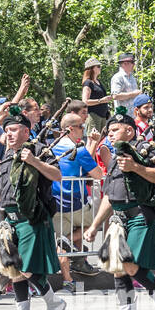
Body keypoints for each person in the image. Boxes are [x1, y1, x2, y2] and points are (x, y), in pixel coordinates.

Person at [81, 108, 155, 310]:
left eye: (115, 130)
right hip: (120, 220)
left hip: (141, 215)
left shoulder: (143, 149)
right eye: (109, 131)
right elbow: (109, 194)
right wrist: (94, 225)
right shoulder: (115, 158)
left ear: (130, 131)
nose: (110, 134)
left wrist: (136, 167)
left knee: (130, 265)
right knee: (119, 269)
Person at [0, 110, 68, 310]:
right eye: (6, 131)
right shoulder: (7, 155)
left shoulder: (40, 150)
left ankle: (55, 302)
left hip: (32, 217)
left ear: (26, 131)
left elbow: (56, 175)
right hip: (10, 219)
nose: (9, 135)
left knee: (26, 268)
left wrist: (34, 161)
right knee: (14, 269)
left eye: (13, 130)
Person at [49, 113, 105, 292]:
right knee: (93, 228)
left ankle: (67, 280)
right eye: (81, 126)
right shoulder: (79, 150)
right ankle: (70, 241)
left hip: (55, 202)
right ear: (70, 129)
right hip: (76, 202)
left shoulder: (50, 148)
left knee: (60, 244)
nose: (84, 130)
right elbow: (98, 174)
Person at [80, 58, 113, 137]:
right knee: (93, 140)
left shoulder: (98, 82)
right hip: (93, 116)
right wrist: (100, 100)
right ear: (92, 68)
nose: (100, 68)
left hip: (103, 116)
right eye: (98, 66)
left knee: (102, 140)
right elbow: (85, 101)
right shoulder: (88, 83)